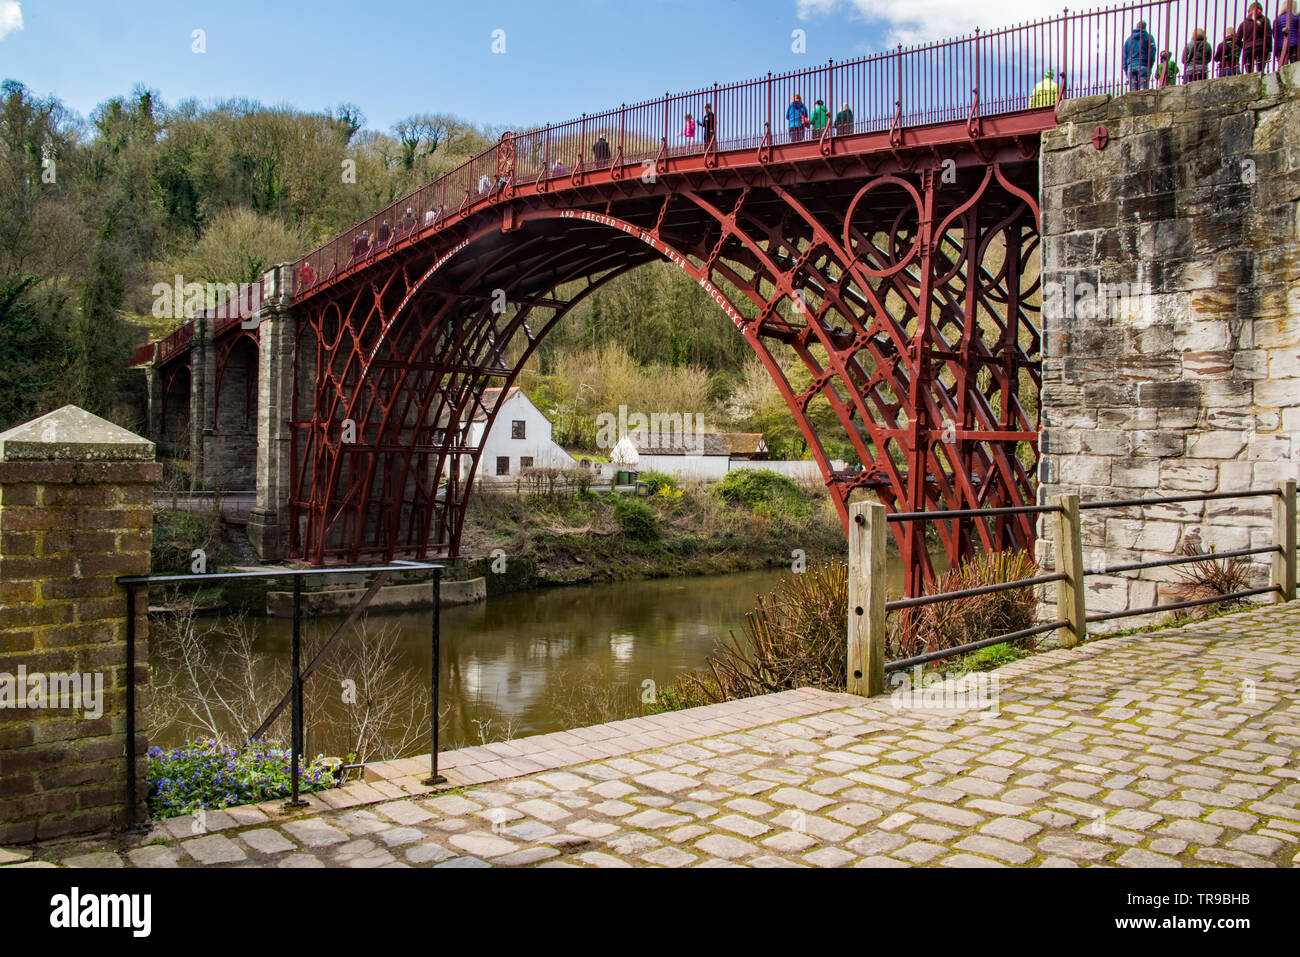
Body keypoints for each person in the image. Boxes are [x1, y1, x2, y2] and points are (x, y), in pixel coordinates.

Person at [1237, 2, 1272, 73]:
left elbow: (1237, 40)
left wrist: (1244, 45)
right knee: (1260, 71)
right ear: (1261, 10)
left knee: (1249, 73)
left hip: (1248, 49)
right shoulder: (1265, 20)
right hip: (1261, 47)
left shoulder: (1243, 23)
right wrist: (1269, 49)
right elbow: (1268, 36)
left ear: (1249, 11)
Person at [1123, 21, 1157, 90]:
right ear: (1145, 27)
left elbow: (1125, 57)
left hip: (1131, 66)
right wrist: (1150, 64)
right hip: (1143, 64)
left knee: (1133, 90)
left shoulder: (1128, 40)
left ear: (1136, 27)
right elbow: (1152, 52)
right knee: (1143, 89)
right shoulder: (1148, 37)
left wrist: (1126, 69)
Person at [1276, 1, 1300, 66]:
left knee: (1283, 68)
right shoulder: (1297, 16)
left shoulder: (1277, 20)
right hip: (1295, 45)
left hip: (1280, 47)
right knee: (1295, 66)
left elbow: (1275, 35)